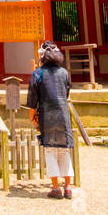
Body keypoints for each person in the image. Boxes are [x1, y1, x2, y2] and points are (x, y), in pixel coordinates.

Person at [27, 41, 75, 199]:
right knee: (64, 150)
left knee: (50, 150)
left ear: (42, 56)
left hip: (46, 114)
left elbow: (33, 98)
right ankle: (68, 187)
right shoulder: (64, 73)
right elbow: (66, 92)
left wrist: (32, 116)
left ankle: (55, 188)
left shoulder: (38, 74)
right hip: (62, 113)